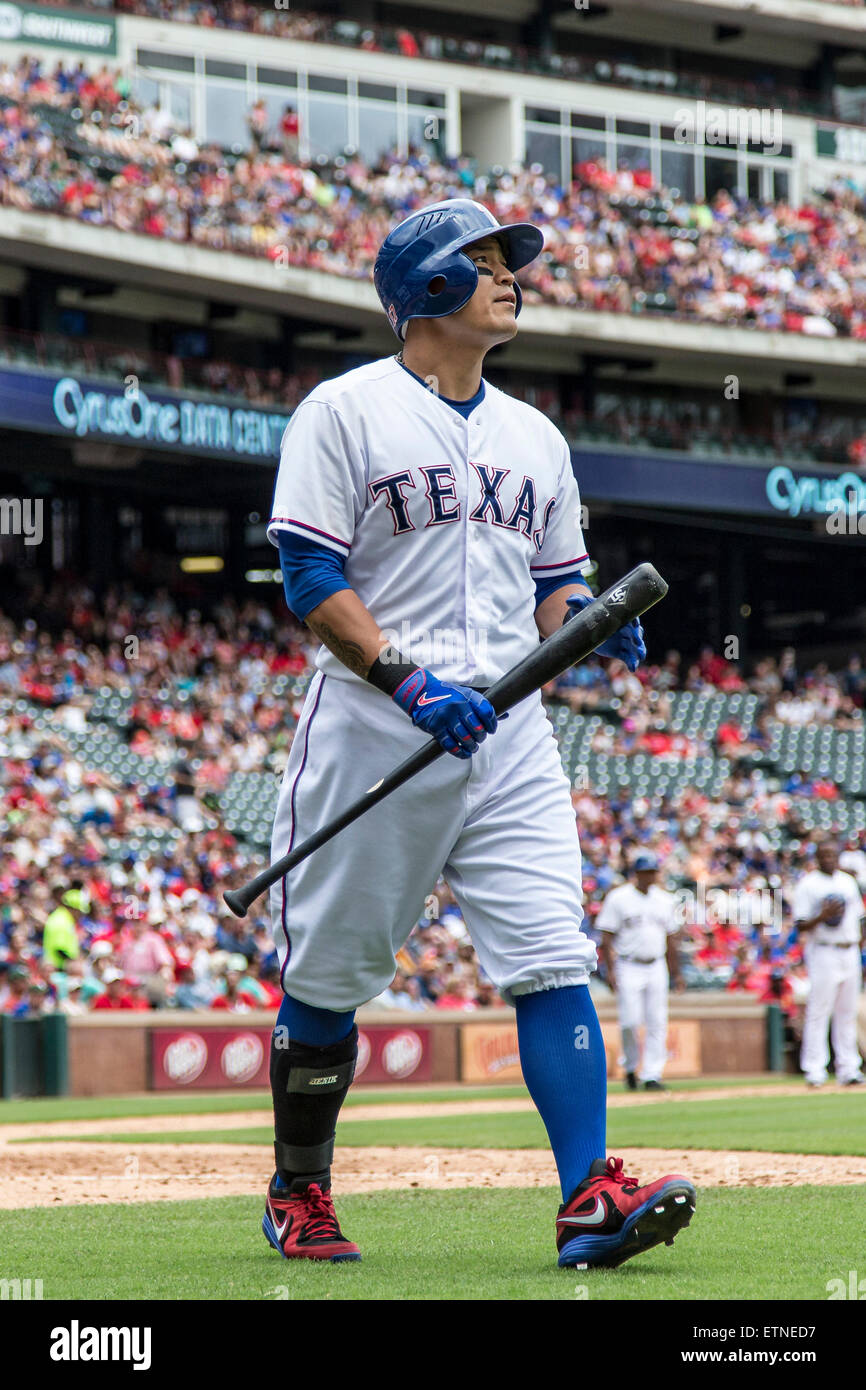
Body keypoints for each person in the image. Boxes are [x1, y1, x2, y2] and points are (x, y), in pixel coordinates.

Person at [259, 196, 696, 1270]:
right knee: (327, 980)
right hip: (375, 730)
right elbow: (309, 576)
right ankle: (299, 1189)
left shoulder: (535, 437)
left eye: (510, 261)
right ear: (427, 285)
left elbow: (554, 590)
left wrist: (589, 624)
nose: (510, 275)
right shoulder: (342, 411)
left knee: (552, 953)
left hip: (510, 733)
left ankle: (589, 1196)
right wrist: (407, 683)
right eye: (486, 259)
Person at [597, 853, 683, 1091]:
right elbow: (606, 937)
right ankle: (630, 1067)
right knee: (629, 1021)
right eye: (645, 872)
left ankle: (652, 1074)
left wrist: (676, 973)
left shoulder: (665, 900)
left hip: (656, 964)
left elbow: (671, 939)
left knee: (657, 1021)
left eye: (652, 871)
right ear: (636, 873)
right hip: (628, 964)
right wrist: (610, 970)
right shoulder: (619, 898)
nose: (649, 876)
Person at [792, 839, 865, 1088]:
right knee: (819, 1011)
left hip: (849, 949)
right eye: (823, 855)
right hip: (824, 950)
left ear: (838, 856)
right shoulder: (808, 884)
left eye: (832, 854)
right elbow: (800, 924)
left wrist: (860, 945)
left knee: (847, 1012)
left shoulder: (847, 881)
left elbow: (860, 918)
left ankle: (849, 1068)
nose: (828, 859)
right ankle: (815, 1069)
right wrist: (821, 916)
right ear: (817, 857)